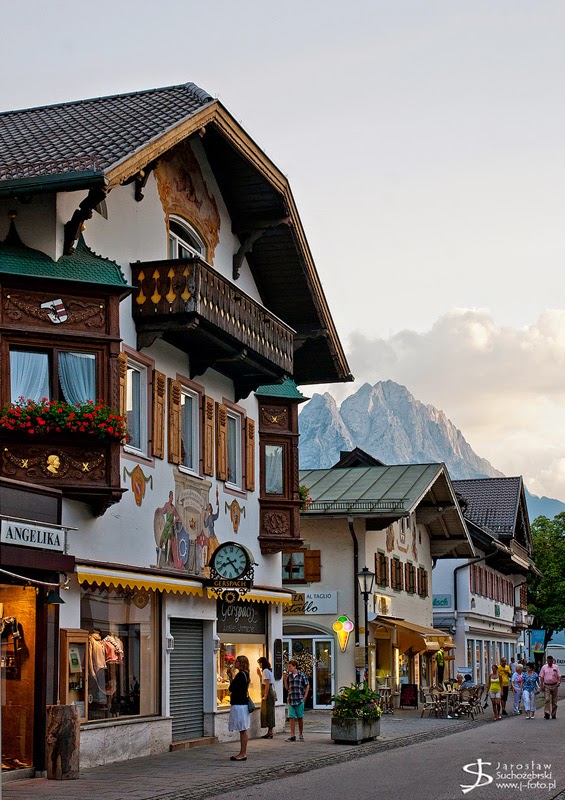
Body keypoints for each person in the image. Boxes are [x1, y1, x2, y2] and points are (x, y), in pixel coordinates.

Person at [227, 655, 251, 761]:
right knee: (242, 728)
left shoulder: (241, 675)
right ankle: (242, 752)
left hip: (239, 704)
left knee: (242, 729)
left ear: (240, 663)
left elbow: (232, 688)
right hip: (242, 703)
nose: (235, 663)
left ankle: (243, 753)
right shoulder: (245, 674)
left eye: (237, 661)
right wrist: (231, 677)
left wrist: (231, 678)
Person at [284, 659, 309, 741]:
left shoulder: (302, 675)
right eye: (288, 667)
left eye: (290, 667)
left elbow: (307, 685)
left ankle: (301, 733)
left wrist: (305, 696)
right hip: (291, 698)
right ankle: (292, 735)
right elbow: (287, 688)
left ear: (294, 666)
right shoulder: (289, 676)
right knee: (291, 717)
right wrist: (285, 680)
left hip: (299, 698)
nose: (289, 668)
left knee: (300, 717)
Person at [257, 657, 276, 738]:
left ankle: (270, 732)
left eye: (260, 663)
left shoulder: (265, 671)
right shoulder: (268, 671)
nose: (259, 665)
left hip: (268, 693)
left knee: (268, 711)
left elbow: (267, 684)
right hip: (271, 692)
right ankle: (270, 731)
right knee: (270, 711)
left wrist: (265, 695)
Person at [539, 654, 562, 720]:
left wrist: (558, 682)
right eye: (548, 661)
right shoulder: (544, 667)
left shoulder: (555, 667)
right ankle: (547, 713)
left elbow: (559, 676)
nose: (549, 663)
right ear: (547, 661)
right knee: (547, 699)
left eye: (550, 661)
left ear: (552, 661)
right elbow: (542, 676)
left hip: (554, 685)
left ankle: (553, 714)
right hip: (547, 685)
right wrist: (541, 685)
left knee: (554, 701)